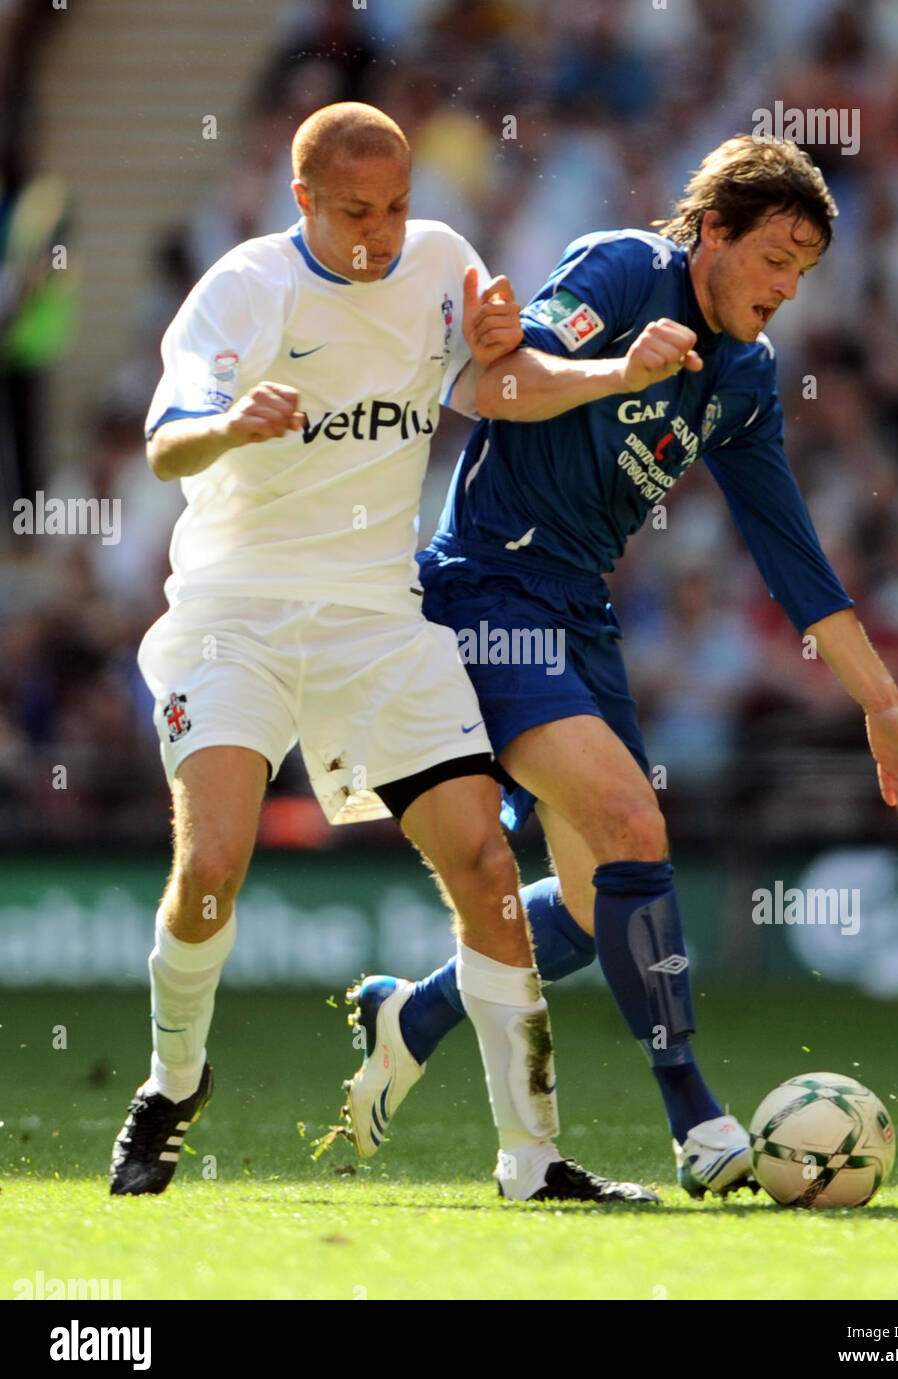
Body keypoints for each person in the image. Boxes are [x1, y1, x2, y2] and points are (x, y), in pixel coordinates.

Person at [343, 135, 898, 1195]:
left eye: (803, 272)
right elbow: (499, 380)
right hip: (487, 591)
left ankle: (416, 1009)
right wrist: (618, 370)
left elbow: (794, 561)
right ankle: (697, 1123)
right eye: (773, 258)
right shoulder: (626, 270)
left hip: (580, 611)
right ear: (713, 231)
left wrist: (884, 706)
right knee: (636, 824)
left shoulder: (746, 378)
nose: (785, 288)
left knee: (592, 910)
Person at [109, 102, 655, 1206]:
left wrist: (608, 374)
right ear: (302, 199)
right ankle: (174, 1081)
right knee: (211, 868)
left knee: (489, 868)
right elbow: (168, 443)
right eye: (356, 212)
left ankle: (531, 1159)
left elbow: (497, 388)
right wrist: (230, 426)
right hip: (236, 614)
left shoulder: (441, 262)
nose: (382, 233)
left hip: (377, 618)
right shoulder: (245, 289)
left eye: (399, 207)